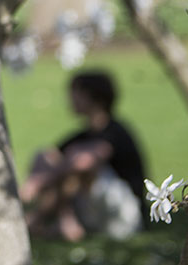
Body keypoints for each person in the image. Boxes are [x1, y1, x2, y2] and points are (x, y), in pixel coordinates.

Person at [19, 71, 147, 241]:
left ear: (95, 98)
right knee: (47, 156)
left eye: (76, 93)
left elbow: (85, 162)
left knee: (80, 166)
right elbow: (49, 155)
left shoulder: (114, 132)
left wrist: (39, 181)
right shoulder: (83, 135)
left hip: (125, 216)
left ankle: (41, 220)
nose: (70, 99)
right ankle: (60, 221)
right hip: (94, 212)